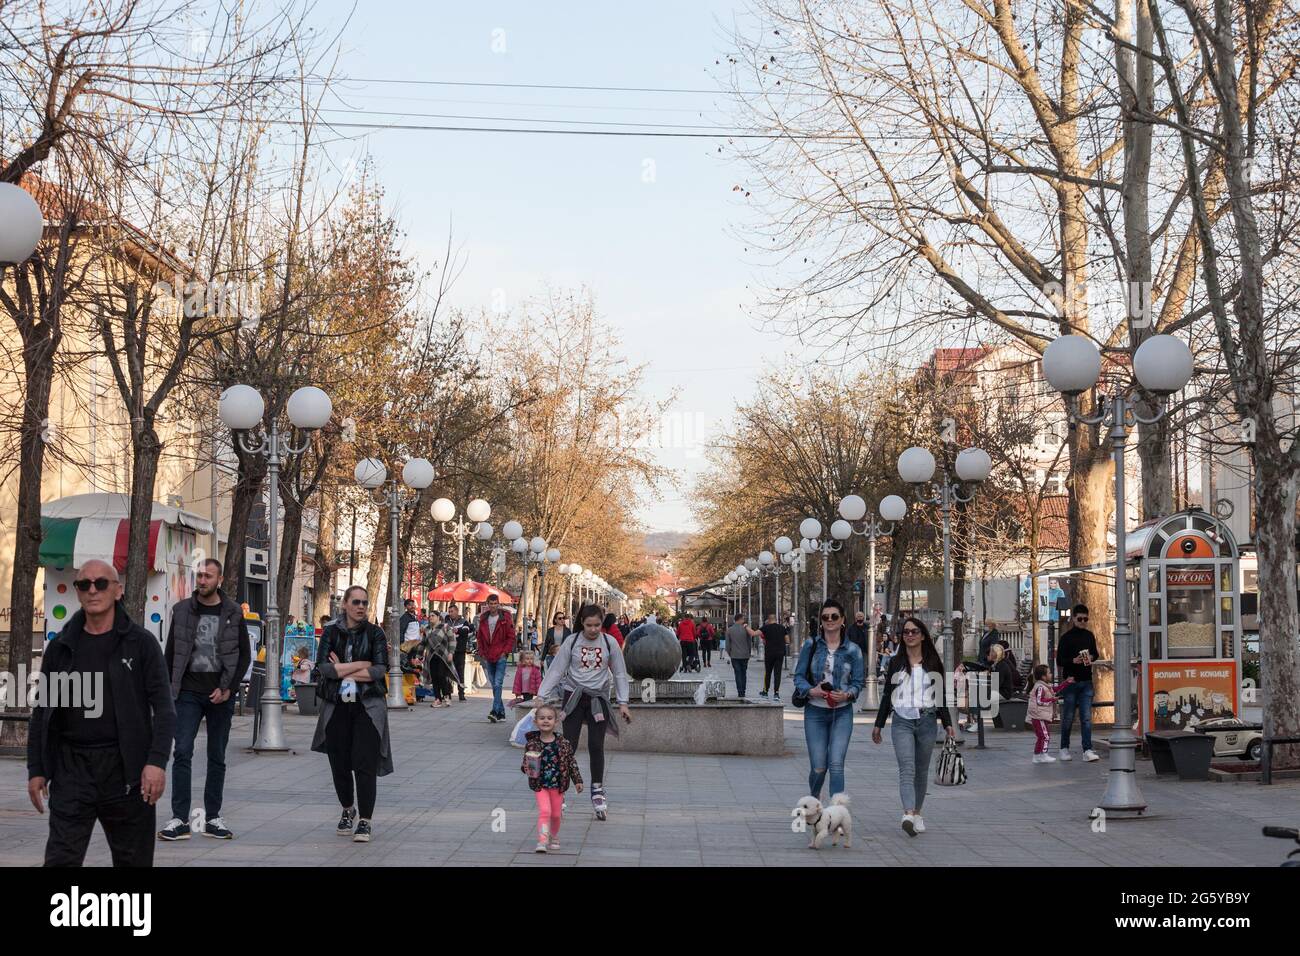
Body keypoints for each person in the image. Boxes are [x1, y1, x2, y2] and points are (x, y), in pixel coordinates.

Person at [27, 559, 175, 867]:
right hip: (72, 770)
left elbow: (164, 709)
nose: (93, 590)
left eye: (101, 583)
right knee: (60, 859)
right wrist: (37, 768)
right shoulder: (62, 647)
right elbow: (43, 712)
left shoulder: (141, 644)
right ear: (78, 593)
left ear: (118, 591)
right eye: (84, 585)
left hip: (127, 772)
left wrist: (156, 763)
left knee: (133, 861)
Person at [158, 558, 250, 841]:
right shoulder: (182, 610)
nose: (202, 581)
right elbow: (170, 653)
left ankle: (213, 818)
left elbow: (244, 655)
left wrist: (228, 689)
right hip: (187, 693)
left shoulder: (233, 612)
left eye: (208, 576)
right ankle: (179, 819)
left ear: (219, 580)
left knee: (217, 756)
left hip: (220, 695)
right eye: (199, 576)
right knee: (182, 751)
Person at [312, 585, 394, 843]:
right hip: (336, 705)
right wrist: (360, 664)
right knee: (339, 762)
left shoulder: (375, 634)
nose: (361, 607)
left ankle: (365, 821)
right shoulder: (330, 633)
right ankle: (348, 809)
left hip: (367, 706)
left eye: (364, 603)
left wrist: (343, 669)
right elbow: (324, 668)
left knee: (364, 763)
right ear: (345, 604)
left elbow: (379, 670)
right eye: (356, 602)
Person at [537, 604, 631, 821]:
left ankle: (597, 791)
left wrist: (623, 702)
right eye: (589, 625)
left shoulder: (610, 642)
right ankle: (560, 792)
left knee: (596, 746)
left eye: (597, 625)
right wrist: (541, 695)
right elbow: (557, 670)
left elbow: (619, 672)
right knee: (567, 746)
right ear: (582, 623)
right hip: (574, 699)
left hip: (598, 699)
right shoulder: (572, 642)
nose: (593, 629)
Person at [873, 616, 955, 836]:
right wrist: (878, 724)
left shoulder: (933, 663)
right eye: (906, 632)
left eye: (914, 632)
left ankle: (917, 812)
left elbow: (941, 697)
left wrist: (948, 723)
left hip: (927, 721)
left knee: (921, 771)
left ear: (922, 635)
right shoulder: (896, 663)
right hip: (902, 722)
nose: (909, 635)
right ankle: (908, 813)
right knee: (907, 769)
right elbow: (888, 696)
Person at [792, 599, 864, 801]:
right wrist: (810, 690)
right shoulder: (811, 644)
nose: (829, 620)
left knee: (836, 763)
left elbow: (858, 682)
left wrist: (847, 694)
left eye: (834, 616)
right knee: (818, 766)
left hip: (841, 713)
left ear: (842, 620)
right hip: (815, 713)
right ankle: (814, 799)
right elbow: (798, 676)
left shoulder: (853, 650)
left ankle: (836, 812)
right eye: (825, 617)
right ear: (821, 621)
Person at [521, 703, 582, 853]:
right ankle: (542, 840)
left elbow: (571, 762)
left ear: (556, 722)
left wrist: (578, 780)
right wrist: (527, 767)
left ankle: (554, 835)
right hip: (540, 785)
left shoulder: (563, 743)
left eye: (549, 718)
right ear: (536, 722)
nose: (546, 721)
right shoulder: (532, 743)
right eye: (542, 718)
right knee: (545, 811)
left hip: (558, 785)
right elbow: (525, 764)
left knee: (555, 814)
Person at [1056, 604, 1101, 762]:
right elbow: (1060, 660)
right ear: (1073, 618)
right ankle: (1064, 748)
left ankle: (1087, 749)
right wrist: (1073, 661)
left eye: (1085, 619)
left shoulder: (1089, 636)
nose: (1083, 621)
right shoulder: (1066, 638)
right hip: (1070, 682)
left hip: (1086, 681)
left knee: (1086, 717)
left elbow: (1096, 653)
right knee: (1068, 717)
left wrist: (1091, 658)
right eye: (1080, 619)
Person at [476, 592, 516, 722]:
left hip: (501, 655)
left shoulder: (505, 617)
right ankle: (501, 712)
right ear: (487, 605)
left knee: (498, 683)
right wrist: (481, 651)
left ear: (498, 604)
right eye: (491, 604)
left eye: (495, 603)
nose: (493, 606)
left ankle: (494, 711)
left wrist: (505, 651)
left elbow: (511, 636)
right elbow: (480, 637)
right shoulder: (483, 619)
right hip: (488, 655)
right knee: (494, 684)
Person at [1027, 665, 1074, 763]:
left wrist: (1066, 683)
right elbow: (1040, 701)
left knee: (1042, 736)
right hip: (1038, 715)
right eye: (1049, 673)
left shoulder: (1045, 686)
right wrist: (1052, 700)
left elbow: (1055, 689)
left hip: (1040, 715)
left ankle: (1037, 756)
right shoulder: (1040, 687)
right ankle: (1043, 754)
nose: (1051, 674)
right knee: (1045, 736)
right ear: (1043, 677)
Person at [420, 610, 456, 708]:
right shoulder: (427, 629)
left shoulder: (445, 627)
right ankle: (437, 699)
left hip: (443, 656)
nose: (430, 617)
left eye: (433, 616)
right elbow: (423, 643)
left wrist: (451, 653)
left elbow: (452, 640)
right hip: (431, 656)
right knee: (434, 677)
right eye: (430, 616)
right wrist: (419, 655)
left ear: (438, 617)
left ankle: (446, 695)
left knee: (441, 676)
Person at [759, 612, 789, 701]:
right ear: (776, 619)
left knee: (768, 672)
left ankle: (765, 691)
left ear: (768, 620)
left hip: (769, 653)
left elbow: (754, 633)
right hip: (780, 653)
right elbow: (787, 640)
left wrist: (746, 627)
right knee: (777, 673)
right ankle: (776, 693)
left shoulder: (766, 627)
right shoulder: (782, 628)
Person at [445, 604, 471, 702]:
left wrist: (457, 630)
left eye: (452, 611)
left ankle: (461, 693)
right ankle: (448, 693)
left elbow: (466, 631)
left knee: (460, 672)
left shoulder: (464, 622)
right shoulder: (447, 622)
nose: (450, 613)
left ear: (457, 611)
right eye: (449, 612)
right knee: (448, 671)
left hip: (460, 650)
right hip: (449, 651)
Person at [724, 613, 753, 697]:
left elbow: (727, 645)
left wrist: (730, 653)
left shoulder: (729, 630)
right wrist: (749, 653)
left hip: (734, 655)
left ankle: (739, 691)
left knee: (737, 673)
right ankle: (743, 690)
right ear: (740, 619)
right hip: (745, 655)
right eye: (743, 619)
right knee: (744, 673)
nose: (744, 621)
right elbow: (749, 643)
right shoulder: (746, 629)